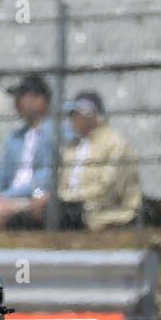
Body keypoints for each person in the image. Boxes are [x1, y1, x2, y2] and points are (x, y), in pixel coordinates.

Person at [0, 74, 57, 231]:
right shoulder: (16, 137)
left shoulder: (55, 133)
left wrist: (4, 197)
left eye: (23, 97)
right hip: (10, 196)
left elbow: (45, 178)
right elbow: (1, 175)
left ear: (40, 100)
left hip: (35, 196)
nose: (16, 103)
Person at [57, 91, 141, 230]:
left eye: (77, 114)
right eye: (72, 114)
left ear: (93, 116)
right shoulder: (71, 147)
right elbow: (61, 183)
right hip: (72, 209)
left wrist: (69, 199)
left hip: (106, 213)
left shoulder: (115, 144)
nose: (72, 119)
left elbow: (107, 189)